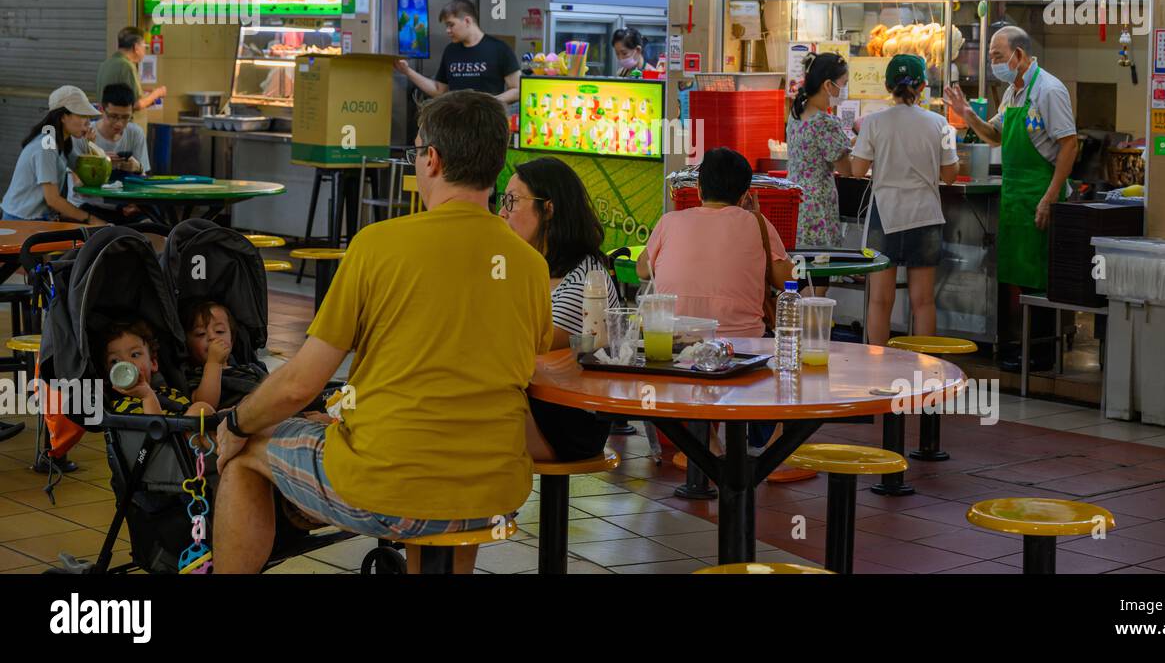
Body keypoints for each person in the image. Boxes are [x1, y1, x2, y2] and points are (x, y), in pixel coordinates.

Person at [213, 91, 552, 574]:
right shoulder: (530, 265)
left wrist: (236, 424)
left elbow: (298, 385)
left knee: (247, 454)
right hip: (494, 493)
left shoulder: (378, 245)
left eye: (416, 150)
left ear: (431, 159)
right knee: (441, 501)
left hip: (385, 487)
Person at [944, 25, 1078, 371]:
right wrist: (967, 114)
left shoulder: (1049, 90)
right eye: (991, 58)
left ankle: (1044, 353)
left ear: (1019, 55)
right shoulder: (1012, 93)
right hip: (1016, 194)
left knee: (1041, 276)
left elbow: (1069, 144)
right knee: (1019, 273)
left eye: (998, 56)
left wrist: (1049, 197)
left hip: (1040, 193)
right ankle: (1022, 346)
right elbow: (996, 137)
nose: (994, 64)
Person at [499, 156, 621, 461]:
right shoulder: (523, 267)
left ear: (548, 209)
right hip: (534, 401)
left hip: (570, 422)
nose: (502, 212)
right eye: (503, 201)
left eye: (512, 201)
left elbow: (534, 340)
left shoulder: (586, 275)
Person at [850, 55, 959, 346]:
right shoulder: (942, 125)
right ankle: (926, 369)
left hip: (884, 216)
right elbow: (950, 175)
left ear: (887, 85)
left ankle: (877, 366)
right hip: (925, 216)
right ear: (923, 85)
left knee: (879, 300)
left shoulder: (872, 123)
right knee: (923, 301)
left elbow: (857, 171)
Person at [637, 147, 794, 338]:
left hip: (675, 342)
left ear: (699, 189)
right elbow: (789, 280)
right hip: (745, 343)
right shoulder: (758, 223)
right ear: (745, 195)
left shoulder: (669, 221)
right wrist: (755, 214)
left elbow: (642, 270)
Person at [1, 86, 106, 225]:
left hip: (39, 220)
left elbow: (88, 173)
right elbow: (53, 200)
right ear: (63, 116)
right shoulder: (46, 145)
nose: (87, 122)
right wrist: (91, 219)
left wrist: (90, 145)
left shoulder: (63, 142)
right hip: (21, 220)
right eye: (82, 115)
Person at [393, 0, 521, 105]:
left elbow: (517, 89)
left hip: (488, 124)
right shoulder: (451, 51)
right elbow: (439, 90)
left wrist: (490, 102)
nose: (447, 30)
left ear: (467, 21)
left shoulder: (499, 49)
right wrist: (407, 71)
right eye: (446, 26)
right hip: (455, 124)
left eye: (451, 24)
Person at [786, 52, 853, 250]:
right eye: (843, 83)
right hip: (817, 207)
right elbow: (848, 170)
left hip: (796, 202)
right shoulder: (825, 122)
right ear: (827, 85)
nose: (843, 90)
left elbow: (819, 147)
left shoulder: (796, 113)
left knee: (800, 271)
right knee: (820, 269)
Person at [68, 83, 150, 225]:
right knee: (109, 237)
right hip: (88, 207)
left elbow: (144, 180)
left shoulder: (135, 133)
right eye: (113, 116)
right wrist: (97, 161)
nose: (119, 124)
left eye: (126, 117)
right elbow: (79, 187)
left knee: (156, 234)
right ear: (101, 109)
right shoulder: (83, 135)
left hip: (122, 207)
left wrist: (137, 168)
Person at [101, 319, 215, 419]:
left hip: (193, 436)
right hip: (168, 442)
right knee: (201, 409)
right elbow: (156, 433)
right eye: (115, 361)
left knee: (204, 410)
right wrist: (147, 397)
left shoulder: (171, 393)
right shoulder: (120, 408)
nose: (126, 364)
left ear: (153, 363)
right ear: (108, 374)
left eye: (135, 355)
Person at [96, 28, 165, 113]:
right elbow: (136, 104)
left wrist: (144, 93)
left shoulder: (106, 63)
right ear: (136, 47)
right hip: (125, 124)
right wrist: (157, 93)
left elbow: (119, 94)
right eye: (145, 46)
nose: (145, 51)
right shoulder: (127, 66)